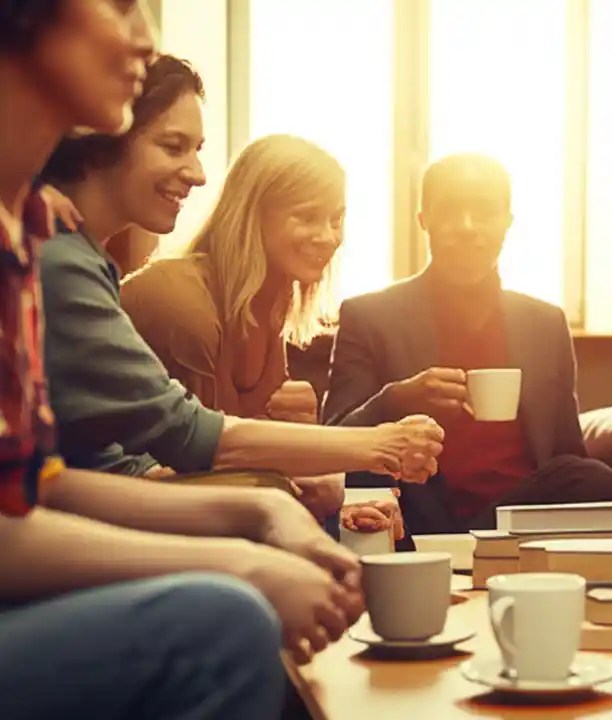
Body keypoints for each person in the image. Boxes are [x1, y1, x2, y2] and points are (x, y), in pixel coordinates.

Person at [1, 3, 347, 717]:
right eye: (121, 5)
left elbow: (41, 487)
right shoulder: (70, 258)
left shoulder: (31, 229)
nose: (143, 36)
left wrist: (260, 509)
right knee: (225, 625)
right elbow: (184, 435)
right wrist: (243, 556)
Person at [36, 55, 443, 510]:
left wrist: (327, 491)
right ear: (104, 135)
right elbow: (188, 440)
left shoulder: (270, 307)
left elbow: (133, 458)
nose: (198, 173)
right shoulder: (119, 281)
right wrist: (380, 443)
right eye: (173, 146)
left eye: (336, 219)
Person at [323, 153, 612, 534]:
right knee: (376, 480)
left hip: (519, 514)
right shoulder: (370, 317)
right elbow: (331, 445)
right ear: (424, 220)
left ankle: (472, 544)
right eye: (450, 212)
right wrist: (395, 401)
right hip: (418, 509)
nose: (467, 227)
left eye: (483, 212)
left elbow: (566, 452)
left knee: (592, 478)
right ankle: (464, 545)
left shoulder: (545, 323)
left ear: (507, 223)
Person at [119, 133, 346, 519]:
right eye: (307, 217)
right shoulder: (179, 302)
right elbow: (202, 458)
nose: (328, 237)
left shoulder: (274, 298)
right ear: (252, 215)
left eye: (336, 219)